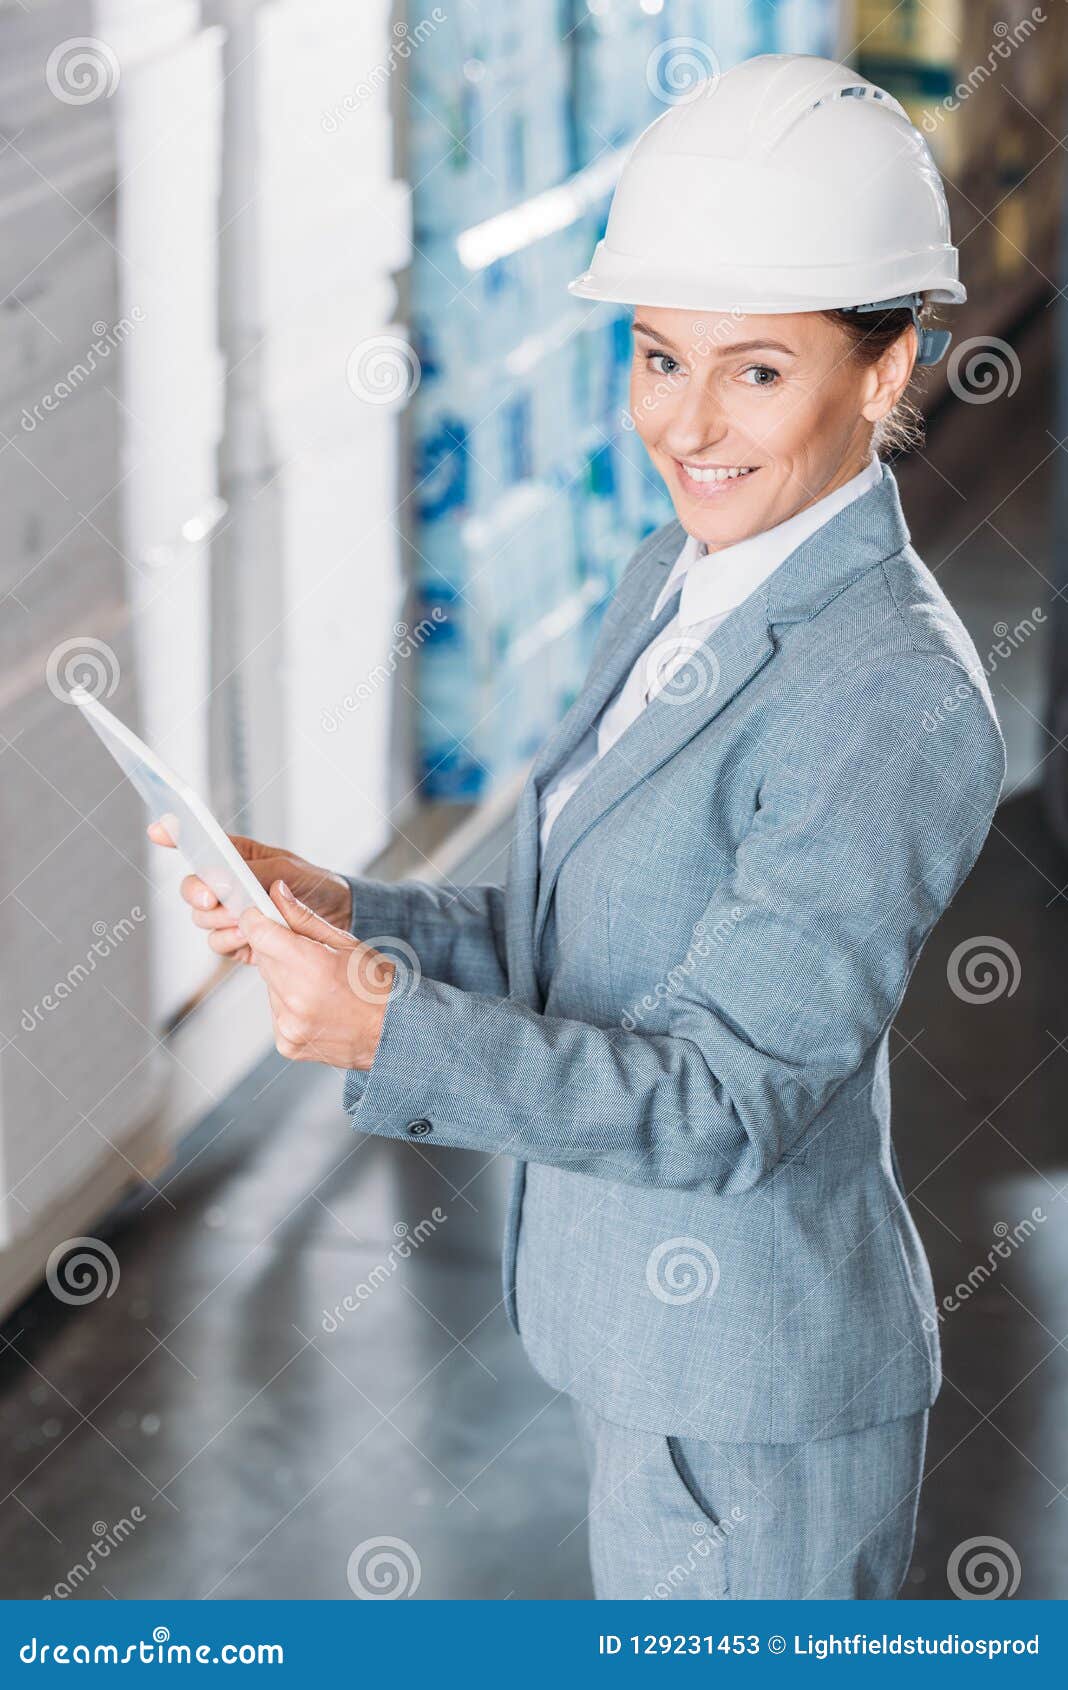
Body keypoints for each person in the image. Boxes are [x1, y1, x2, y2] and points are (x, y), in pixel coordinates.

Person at [153, 55, 1004, 1599]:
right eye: (658, 357)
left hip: (755, 1424)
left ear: (886, 371)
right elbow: (581, 928)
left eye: (755, 369)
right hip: (652, 1370)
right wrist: (350, 914)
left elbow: (724, 1101)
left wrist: (386, 1029)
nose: (688, 425)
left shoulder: (889, 696)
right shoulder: (683, 571)